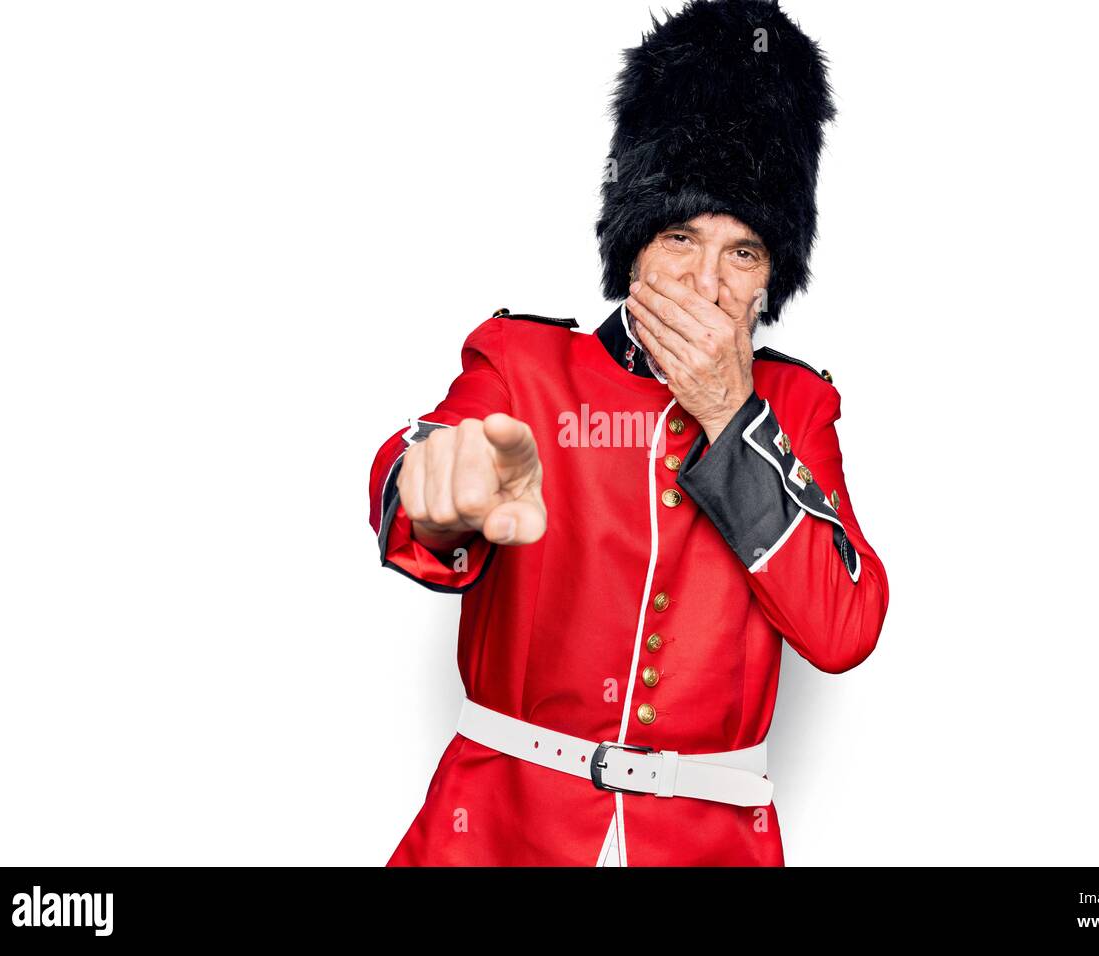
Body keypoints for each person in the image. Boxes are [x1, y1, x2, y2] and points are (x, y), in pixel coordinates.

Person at [367, 0, 889, 866]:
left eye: (745, 253)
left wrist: (730, 413)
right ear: (635, 243)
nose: (706, 282)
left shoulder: (795, 409)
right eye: (680, 236)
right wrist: (432, 484)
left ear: (771, 280)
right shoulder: (524, 362)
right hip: (501, 831)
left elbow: (844, 628)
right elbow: (430, 467)